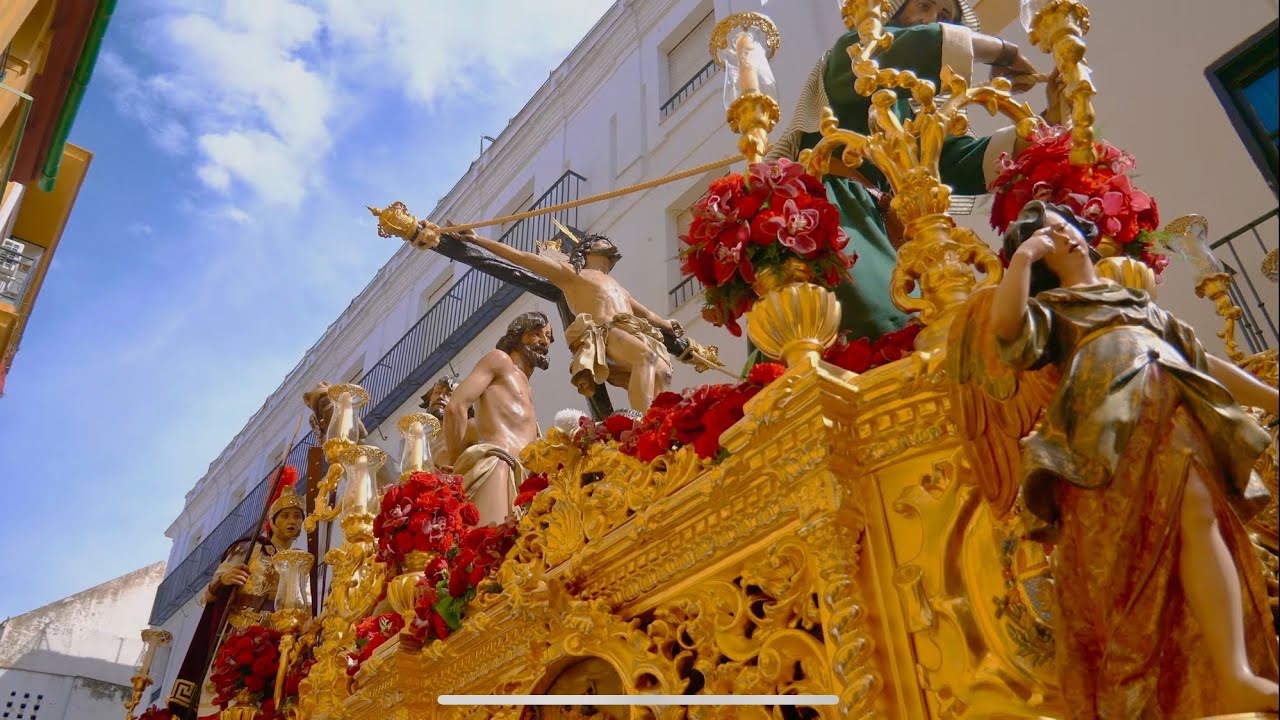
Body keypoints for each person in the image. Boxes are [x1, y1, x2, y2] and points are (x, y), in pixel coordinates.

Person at [988, 200, 1279, 716]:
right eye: (1049, 235)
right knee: (1126, 554)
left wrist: (1274, 400)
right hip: (1105, 437)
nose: (1064, 235)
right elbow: (1006, 326)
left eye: (1066, 225)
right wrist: (1023, 258)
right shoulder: (1054, 309)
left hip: (1175, 413)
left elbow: (1203, 361)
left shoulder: (1138, 303)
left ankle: (1235, 674)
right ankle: (1141, 685)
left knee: (1199, 514)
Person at [764, 0, 1050, 342]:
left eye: (943, 16)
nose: (930, 19)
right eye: (923, 6)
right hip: (833, 212)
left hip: (887, 221)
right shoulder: (855, 53)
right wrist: (1004, 52)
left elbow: (960, 161)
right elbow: (910, 46)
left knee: (918, 327)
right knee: (871, 319)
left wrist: (1041, 129)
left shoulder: (912, 112)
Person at [412, 224, 682, 412]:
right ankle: (649, 420)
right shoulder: (572, 275)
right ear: (588, 249)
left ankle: (661, 417)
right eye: (602, 240)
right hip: (606, 331)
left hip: (632, 329)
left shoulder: (617, 286)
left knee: (660, 371)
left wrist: (666, 324)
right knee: (646, 358)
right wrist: (477, 240)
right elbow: (522, 258)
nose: (609, 243)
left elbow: (646, 313)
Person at [167, 480, 305, 720]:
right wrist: (225, 579)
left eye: (297, 516)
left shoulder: (299, 561)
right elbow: (210, 593)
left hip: (279, 638)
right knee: (227, 698)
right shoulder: (249, 548)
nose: (292, 521)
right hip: (240, 633)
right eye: (285, 515)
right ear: (273, 521)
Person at [445, 311, 553, 524]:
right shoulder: (499, 360)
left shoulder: (528, 388)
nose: (544, 341)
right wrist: (458, 462)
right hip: (498, 466)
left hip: (525, 486)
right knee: (490, 538)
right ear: (517, 335)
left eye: (548, 336)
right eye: (535, 333)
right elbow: (456, 407)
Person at [419, 375, 478, 464]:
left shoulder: (469, 427)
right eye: (437, 392)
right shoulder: (422, 440)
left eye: (450, 394)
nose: (441, 396)